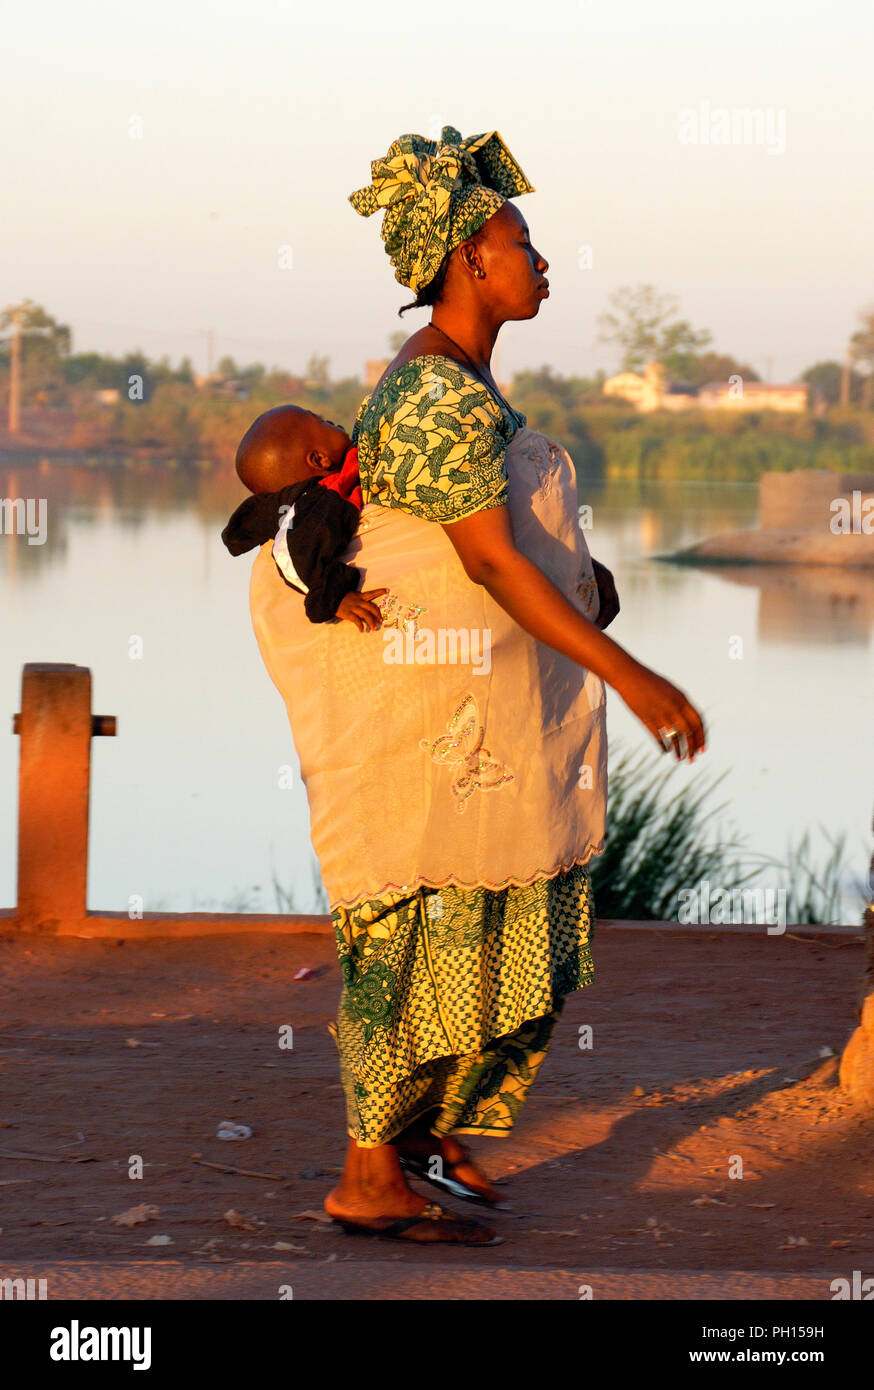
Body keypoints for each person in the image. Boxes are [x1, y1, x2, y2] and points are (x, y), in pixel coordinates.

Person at [245, 125, 706, 1246]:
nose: (540, 261)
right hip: (423, 716)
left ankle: (413, 1141)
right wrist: (631, 675)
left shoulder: (453, 384)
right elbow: (487, 564)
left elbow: (495, 543)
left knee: (469, 928)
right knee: (410, 934)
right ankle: (368, 1174)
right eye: (521, 240)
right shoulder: (438, 396)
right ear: (467, 261)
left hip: (452, 706)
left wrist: (581, 583)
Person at [221, 404, 388, 629]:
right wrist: (333, 598)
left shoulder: (337, 480)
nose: (333, 422)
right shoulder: (323, 501)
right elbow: (290, 553)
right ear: (319, 459)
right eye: (323, 422)